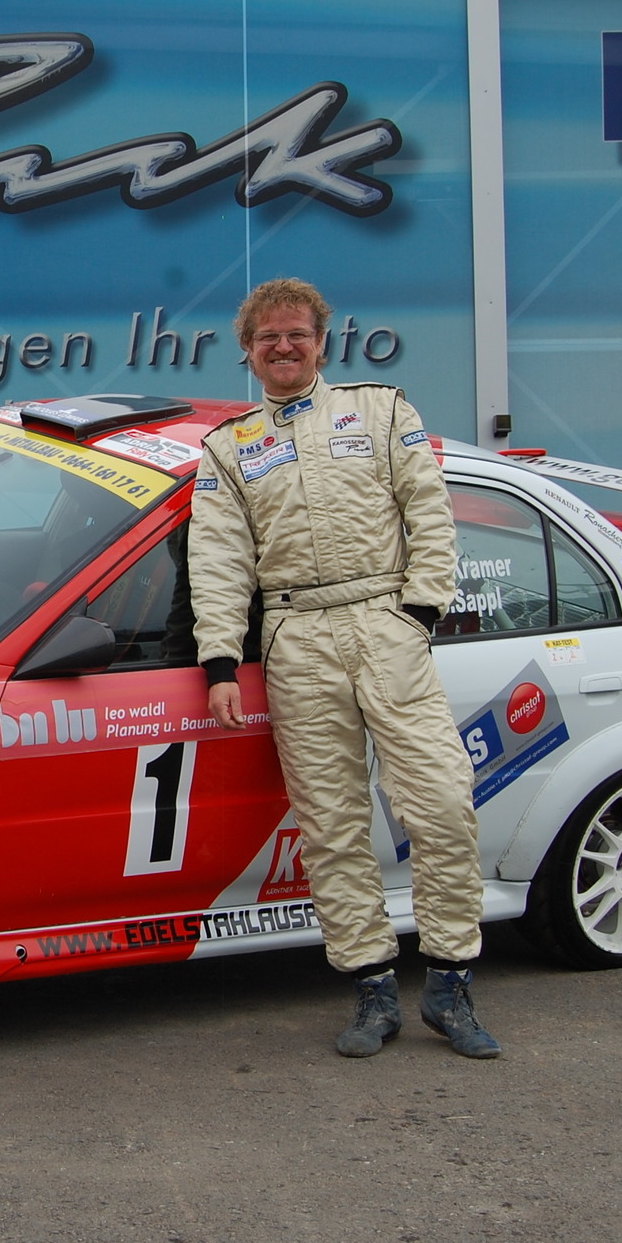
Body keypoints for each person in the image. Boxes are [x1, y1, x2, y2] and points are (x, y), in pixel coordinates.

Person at [187, 277, 499, 1060]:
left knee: (442, 804)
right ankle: (370, 989)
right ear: (248, 353)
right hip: (294, 635)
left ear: (322, 341)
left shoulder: (382, 409)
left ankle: (451, 982)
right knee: (330, 826)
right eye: (268, 339)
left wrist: (420, 611)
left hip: (384, 621)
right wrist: (221, 660)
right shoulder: (228, 448)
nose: (284, 348)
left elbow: (429, 510)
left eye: (297, 334)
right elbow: (219, 560)